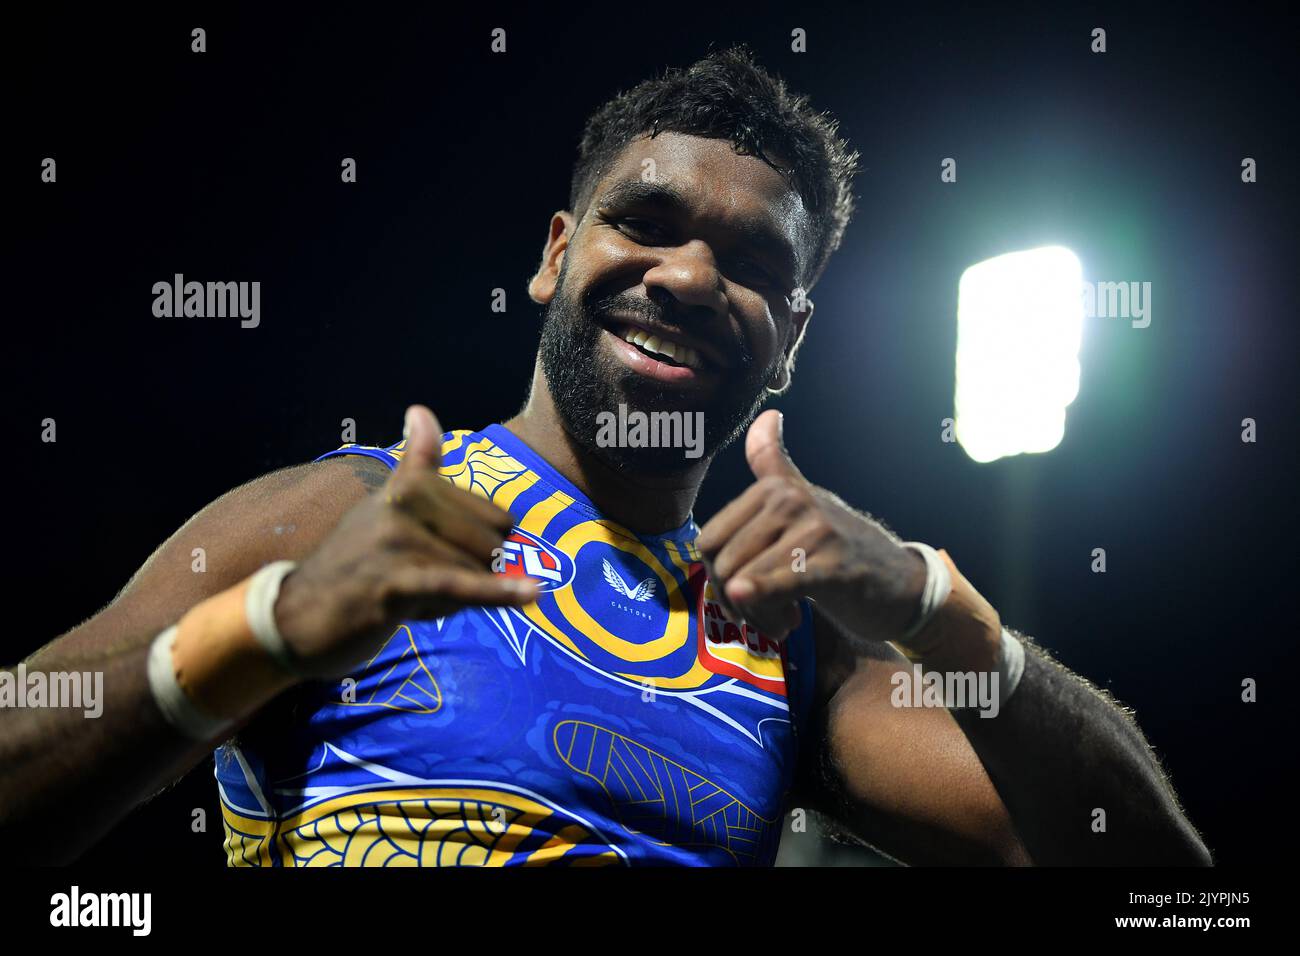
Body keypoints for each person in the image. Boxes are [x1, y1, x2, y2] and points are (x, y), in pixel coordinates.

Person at [0, 46, 1210, 866]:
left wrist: (939, 605)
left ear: (791, 339)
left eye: (750, 264)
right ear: (555, 252)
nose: (686, 277)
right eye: (645, 221)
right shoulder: (335, 515)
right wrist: (268, 626)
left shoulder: (783, 646)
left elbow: (1160, 880)